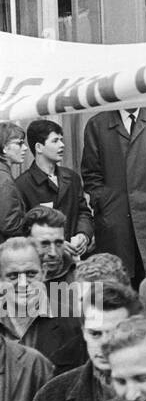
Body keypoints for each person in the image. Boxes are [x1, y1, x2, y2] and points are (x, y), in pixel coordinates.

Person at [81, 105, 146, 284]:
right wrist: (106, 206)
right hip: (115, 222)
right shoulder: (97, 124)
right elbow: (91, 175)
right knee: (118, 284)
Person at [0, 237, 83, 374]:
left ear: (44, 272)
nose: (23, 284)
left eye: (31, 274)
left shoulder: (72, 323)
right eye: (13, 276)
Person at [14, 120, 93, 259]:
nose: (62, 145)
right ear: (39, 147)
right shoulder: (22, 185)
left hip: (74, 261)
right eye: (55, 141)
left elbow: (83, 212)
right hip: (43, 265)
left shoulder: (72, 177)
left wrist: (83, 235)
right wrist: (56, 244)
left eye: (61, 140)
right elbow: (23, 230)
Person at [22, 207, 77, 287]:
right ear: (27, 243)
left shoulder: (78, 279)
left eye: (58, 243)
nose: (53, 253)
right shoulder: (9, 279)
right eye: (44, 244)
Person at [0, 124, 25, 241]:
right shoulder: (4, 179)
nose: (25, 148)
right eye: (19, 143)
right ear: (4, 147)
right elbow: (10, 226)